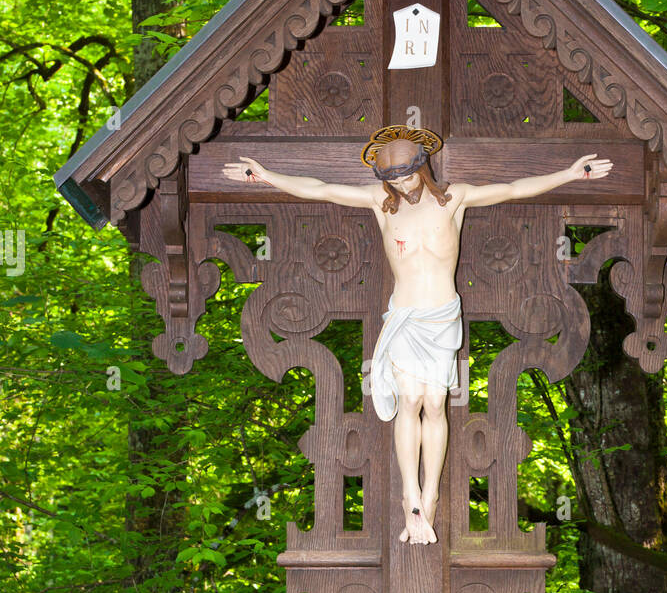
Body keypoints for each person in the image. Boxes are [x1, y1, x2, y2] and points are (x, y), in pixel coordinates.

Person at [223, 126, 612, 544]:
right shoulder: (381, 204)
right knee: (410, 399)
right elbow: (323, 189)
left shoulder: (453, 199)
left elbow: (515, 188)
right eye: (392, 179)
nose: (401, 185)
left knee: (435, 402)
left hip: (441, 317)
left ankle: (429, 499)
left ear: (422, 169)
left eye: (407, 177)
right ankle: (410, 497)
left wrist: (571, 174)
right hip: (406, 316)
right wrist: (265, 176)